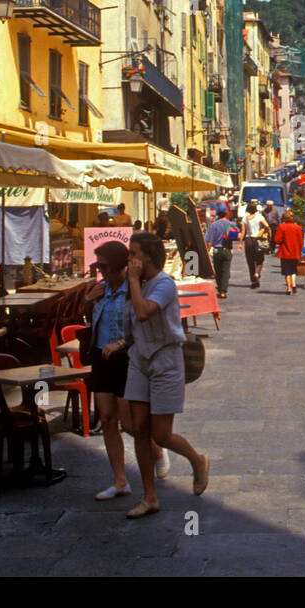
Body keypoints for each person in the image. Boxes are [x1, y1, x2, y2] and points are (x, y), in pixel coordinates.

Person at [123, 232, 209, 518]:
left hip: (165, 360)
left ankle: (197, 460)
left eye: (133, 253)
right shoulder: (137, 284)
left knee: (160, 434)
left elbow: (145, 312)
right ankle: (149, 496)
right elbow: (130, 321)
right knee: (138, 429)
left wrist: (133, 281)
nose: (130, 259)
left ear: (147, 255)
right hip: (139, 359)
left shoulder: (163, 285)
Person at [82, 242, 165, 501]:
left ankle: (157, 451)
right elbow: (90, 319)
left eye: (104, 266)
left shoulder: (132, 290)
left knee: (130, 423)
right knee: (107, 419)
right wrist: (87, 301)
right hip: (101, 356)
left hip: (126, 358)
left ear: (119, 266)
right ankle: (120, 480)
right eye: (98, 266)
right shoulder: (100, 289)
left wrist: (121, 343)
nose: (101, 271)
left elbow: (145, 326)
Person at [205, 207, 239, 298]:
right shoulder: (231, 224)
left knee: (218, 270)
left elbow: (209, 240)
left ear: (217, 214)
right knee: (226, 270)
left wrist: (208, 250)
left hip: (216, 250)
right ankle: (223, 291)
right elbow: (237, 235)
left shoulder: (213, 225)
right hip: (227, 249)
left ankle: (220, 288)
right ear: (226, 213)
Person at [273, 209, 304, 294]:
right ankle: (294, 284)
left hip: (285, 252)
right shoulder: (297, 227)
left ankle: (289, 288)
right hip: (295, 252)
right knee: (293, 270)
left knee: (286, 271)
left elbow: (277, 240)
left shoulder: (281, 227)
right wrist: (300, 250)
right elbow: (300, 241)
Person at [242, 200, 266, 289]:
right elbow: (267, 225)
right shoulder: (259, 216)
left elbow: (243, 232)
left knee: (250, 261)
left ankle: (254, 282)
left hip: (248, 240)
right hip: (258, 239)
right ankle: (256, 274)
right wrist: (262, 231)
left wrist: (240, 243)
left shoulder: (245, 218)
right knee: (260, 260)